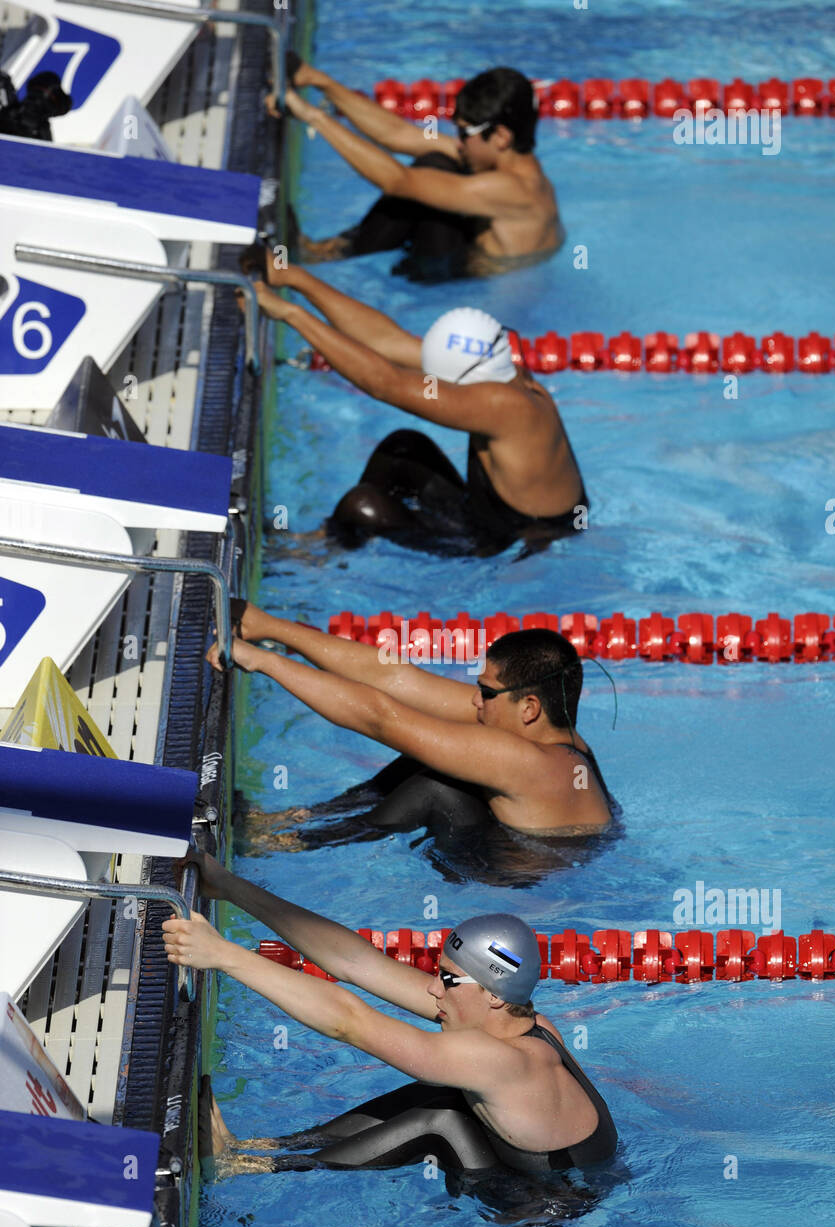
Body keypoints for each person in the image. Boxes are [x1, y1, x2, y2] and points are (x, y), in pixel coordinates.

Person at [162, 854, 618, 1178]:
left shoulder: (498, 1061)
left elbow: (350, 1023)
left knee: (444, 1116)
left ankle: (246, 1166)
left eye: (448, 981)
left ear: (495, 995)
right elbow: (357, 964)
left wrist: (225, 956)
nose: (433, 988)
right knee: (443, 1090)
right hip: (528, 1161)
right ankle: (262, 1148)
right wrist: (228, 886)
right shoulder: (523, 1026)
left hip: (540, 1210)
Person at [211, 604, 615, 876]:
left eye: (487, 693)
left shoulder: (523, 760)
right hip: (526, 842)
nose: (475, 700)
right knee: (436, 756)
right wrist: (267, 627)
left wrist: (262, 660)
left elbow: (379, 718)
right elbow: (396, 679)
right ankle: (295, 818)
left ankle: (283, 842)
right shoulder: (557, 739)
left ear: (529, 707)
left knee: (437, 785)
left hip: (513, 877)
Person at [239, 256, 587, 555]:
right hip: (490, 515)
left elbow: (384, 383)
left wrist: (291, 314)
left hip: (520, 544)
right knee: (404, 446)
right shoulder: (500, 371)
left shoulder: (504, 405)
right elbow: (386, 342)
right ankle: (324, 541)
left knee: (363, 508)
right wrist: (293, 277)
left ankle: (314, 557)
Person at [268, 62, 563, 281]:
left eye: (463, 133)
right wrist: (316, 79)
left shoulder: (513, 190)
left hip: (455, 280)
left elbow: (397, 181)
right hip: (462, 253)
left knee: (426, 175)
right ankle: (329, 249)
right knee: (436, 160)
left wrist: (313, 117)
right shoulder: (509, 163)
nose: (458, 143)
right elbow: (397, 135)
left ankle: (323, 254)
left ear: (500, 137)